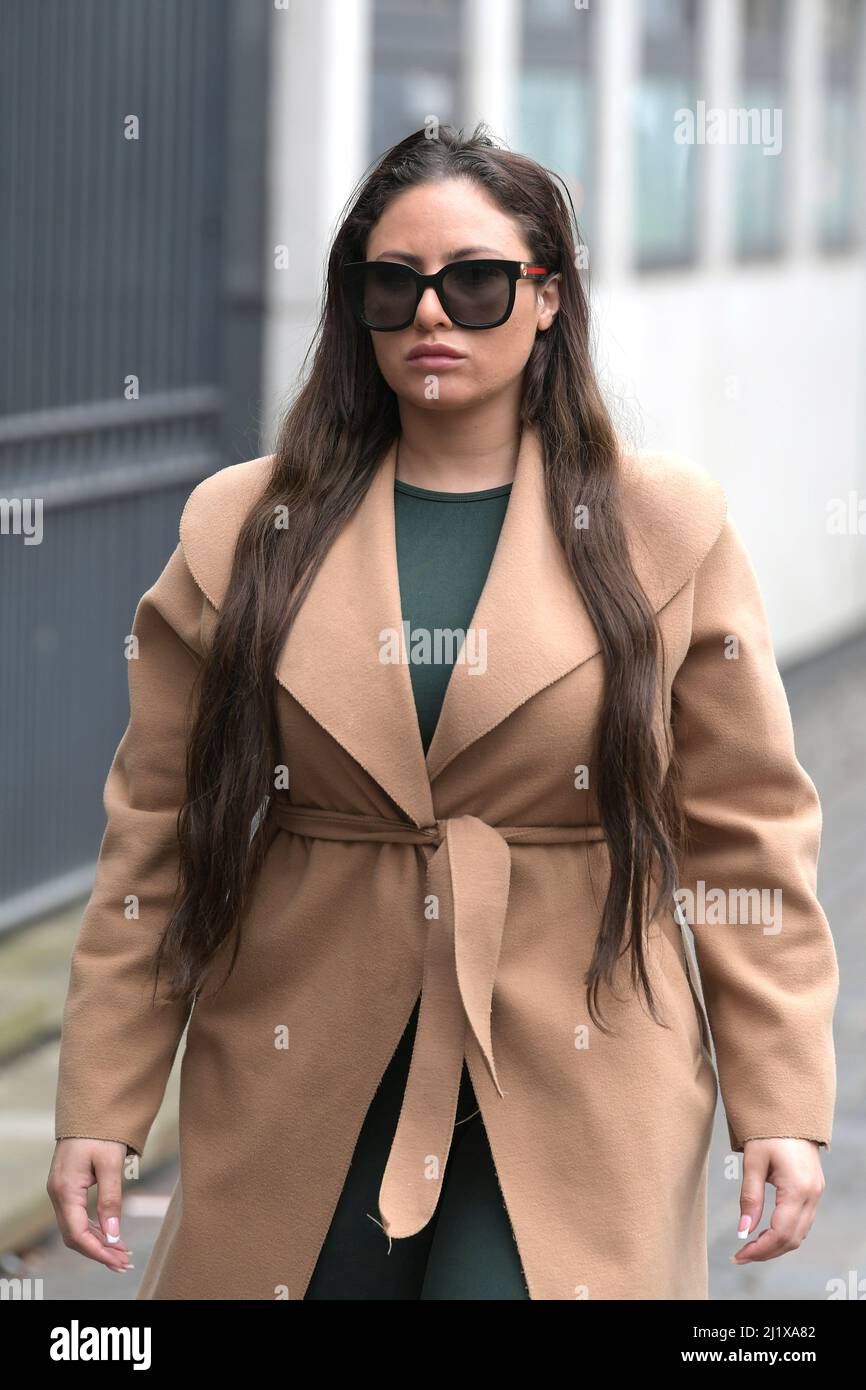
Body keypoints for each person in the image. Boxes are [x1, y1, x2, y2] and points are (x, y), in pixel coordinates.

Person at [48, 124, 838, 1301]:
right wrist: (103, 1099)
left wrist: (779, 1098)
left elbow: (744, 829)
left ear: (546, 297)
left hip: (584, 1052)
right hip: (300, 1045)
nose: (431, 315)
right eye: (391, 284)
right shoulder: (240, 529)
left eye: (473, 283)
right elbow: (155, 832)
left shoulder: (661, 528)